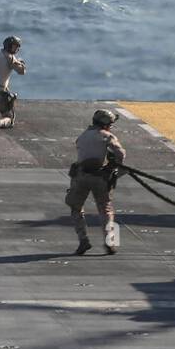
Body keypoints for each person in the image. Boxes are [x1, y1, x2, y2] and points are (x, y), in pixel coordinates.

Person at [66, 109, 125, 255]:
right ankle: (111, 243)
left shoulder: (83, 136)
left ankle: (83, 241)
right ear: (106, 124)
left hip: (80, 176)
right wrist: (115, 168)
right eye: (110, 124)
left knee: (76, 207)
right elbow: (120, 153)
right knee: (106, 208)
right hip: (99, 177)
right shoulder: (106, 136)